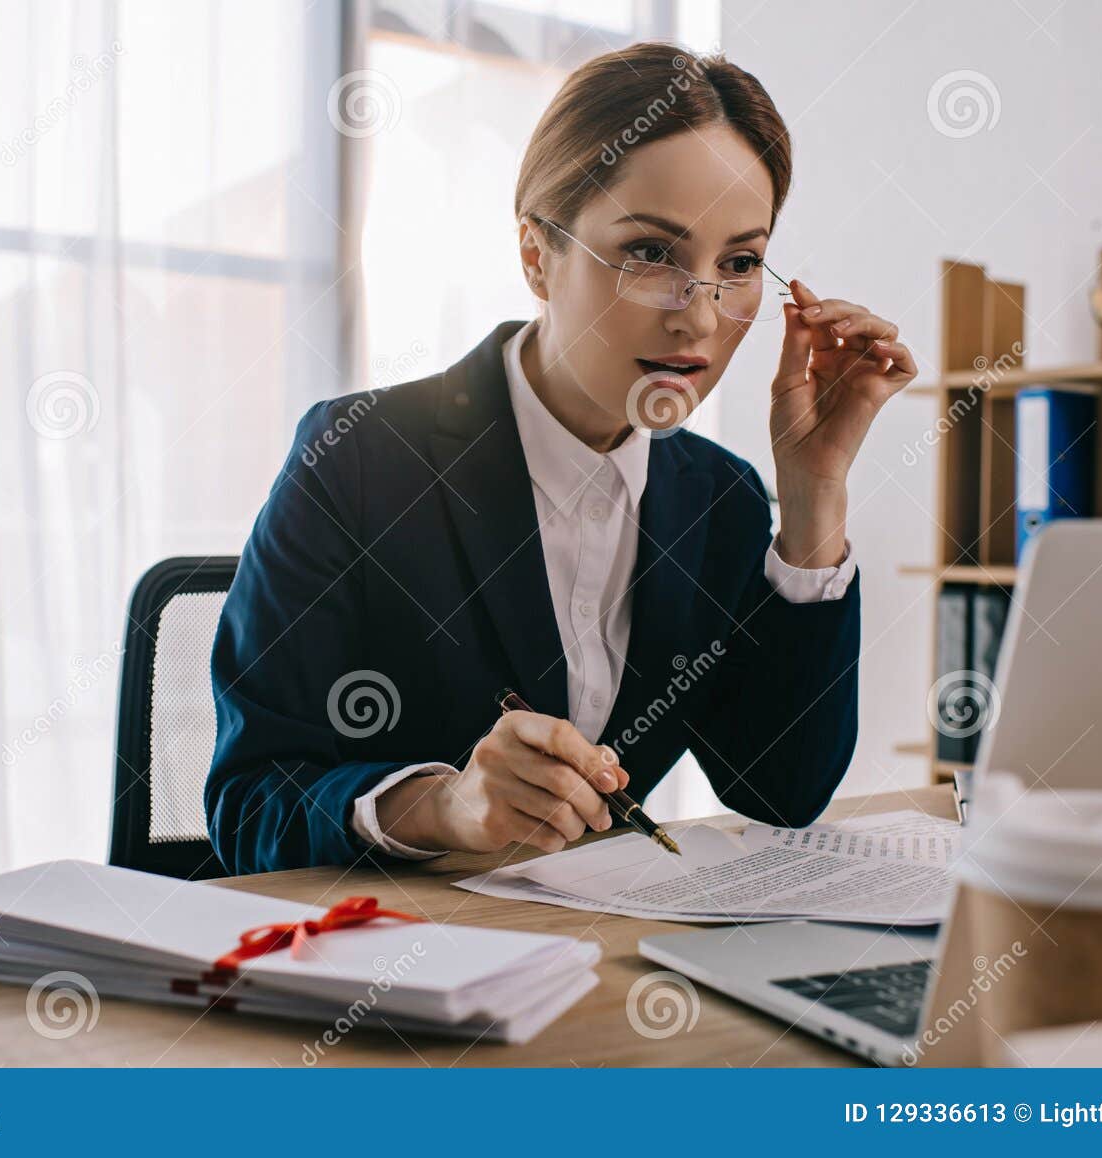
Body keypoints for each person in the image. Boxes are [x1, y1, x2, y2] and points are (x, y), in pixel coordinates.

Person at [206, 42, 915, 874]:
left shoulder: (719, 498)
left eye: (738, 264)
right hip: (392, 962)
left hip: (593, 964)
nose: (699, 315)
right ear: (539, 257)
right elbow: (247, 801)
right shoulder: (358, 460)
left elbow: (781, 789)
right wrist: (446, 805)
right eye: (652, 253)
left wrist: (813, 498)